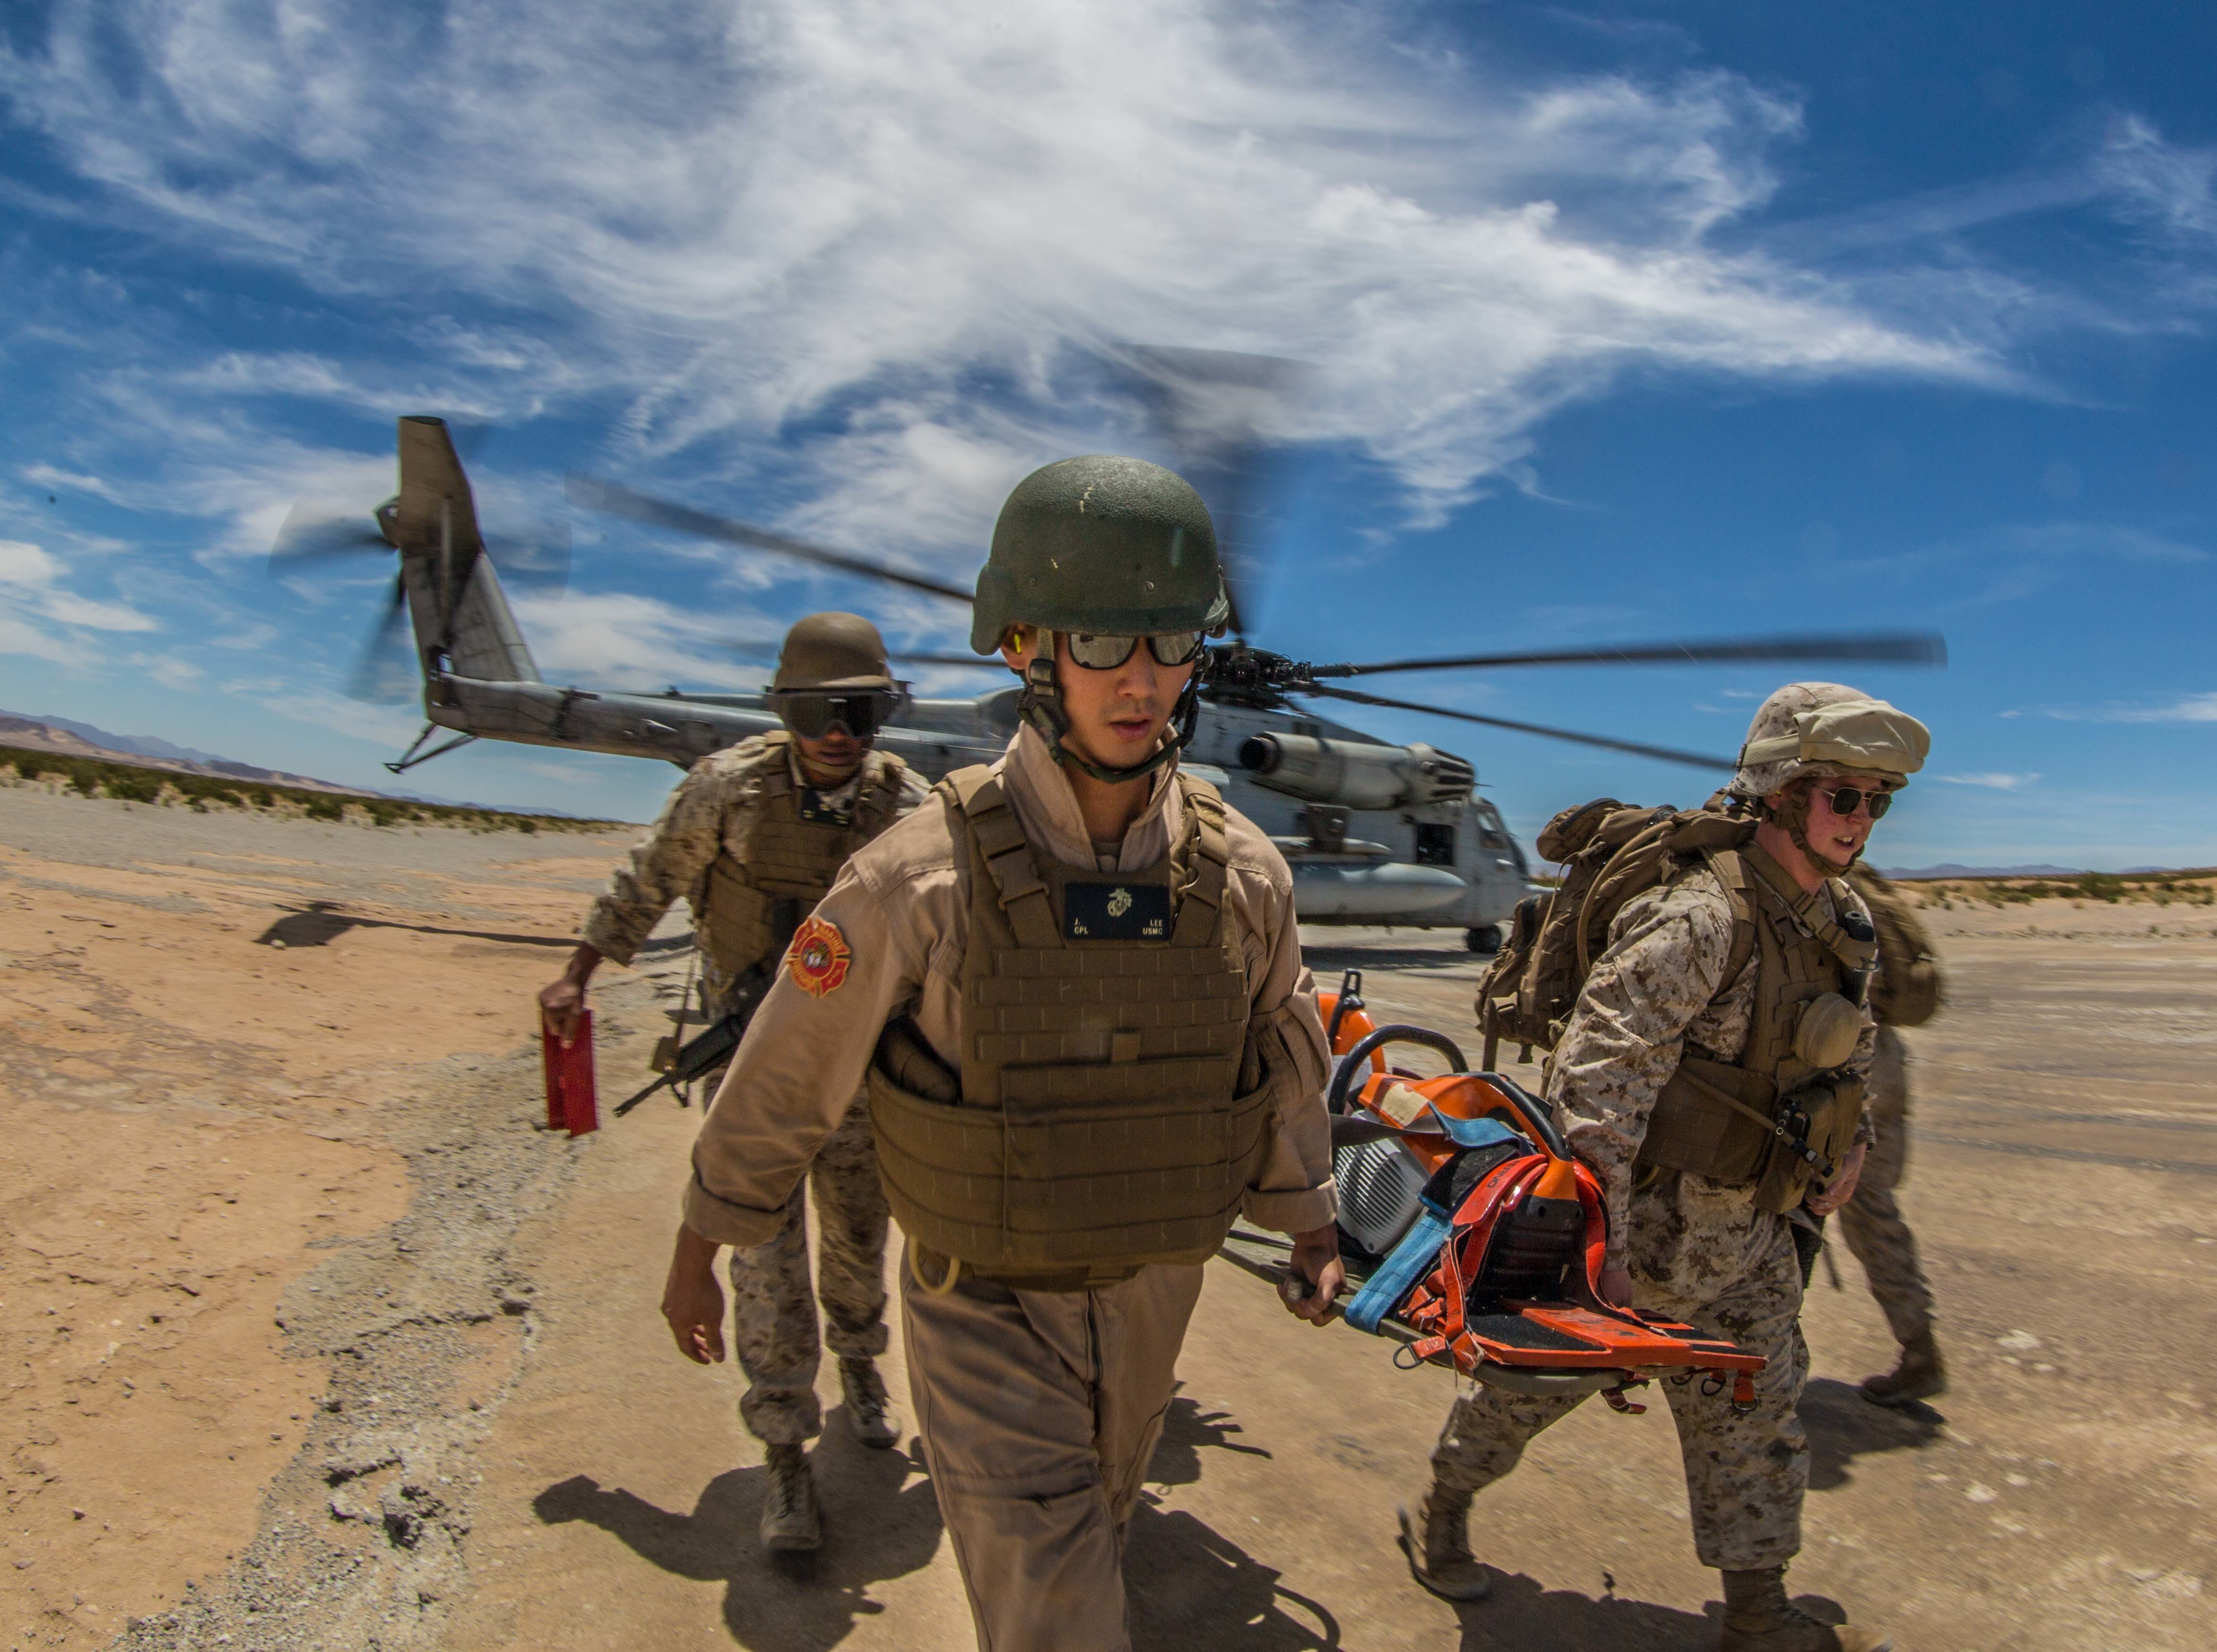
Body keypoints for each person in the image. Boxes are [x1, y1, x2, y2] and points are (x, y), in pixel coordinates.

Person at [660, 456, 1341, 1650]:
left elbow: (1279, 1047)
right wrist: (703, 1232)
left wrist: (1309, 1217)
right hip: (981, 1301)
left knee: (1102, 1528)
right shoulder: (917, 874)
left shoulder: (1244, 878)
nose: (1141, 679)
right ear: (1027, 648)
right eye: (1098, 639)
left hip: (1152, 1290)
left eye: (1170, 639)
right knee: (1060, 1614)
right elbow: (789, 1063)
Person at [1400, 682, 1930, 1652]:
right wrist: (1593, 1255)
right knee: (1526, 1395)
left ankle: (1758, 1611)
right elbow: (1595, 1085)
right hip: (1644, 1234)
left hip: (1754, 1235)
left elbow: (1851, 1049)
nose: (1861, 819)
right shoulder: (1697, 922)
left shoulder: (1843, 924)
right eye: (1841, 795)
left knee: (1758, 1417)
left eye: (1875, 800)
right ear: (1779, 791)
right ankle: (1441, 1507)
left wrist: (1849, 1152)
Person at [540, 611, 932, 1550]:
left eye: (858, 711)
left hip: (859, 1077)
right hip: (752, 1070)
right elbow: (646, 884)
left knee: (856, 1246)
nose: (837, 732)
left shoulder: (908, 807)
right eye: (813, 710)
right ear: (781, 709)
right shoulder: (728, 789)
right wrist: (577, 974)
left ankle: (862, 1365)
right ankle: (787, 1455)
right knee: (762, 1265)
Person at [1836, 856, 1948, 1406]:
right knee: (1873, 1215)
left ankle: (1760, 1358)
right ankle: (1920, 1345)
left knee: (1777, 1216)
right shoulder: (1859, 884)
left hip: (1849, 1067)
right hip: (1888, 1063)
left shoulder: (1810, 888)